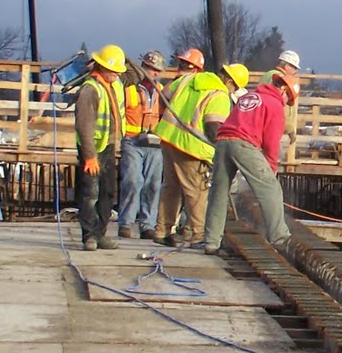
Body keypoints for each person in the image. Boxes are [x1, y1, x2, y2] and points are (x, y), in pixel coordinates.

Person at [201, 71, 299, 255]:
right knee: (271, 189)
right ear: (284, 90)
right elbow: (271, 143)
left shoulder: (249, 97)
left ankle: (211, 242)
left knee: (219, 193)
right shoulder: (275, 105)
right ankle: (280, 238)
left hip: (222, 142)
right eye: (289, 99)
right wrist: (271, 170)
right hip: (244, 144)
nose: (287, 103)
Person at [154, 48, 233, 246]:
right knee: (196, 191)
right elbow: (214, 127)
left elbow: (162, 98)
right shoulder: (219, 94)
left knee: (170, 187)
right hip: (192, 148)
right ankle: (197, 233)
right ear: (231, 84)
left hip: (168, 139)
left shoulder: (184, 81)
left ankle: (162, 230)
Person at [74, 45, 127, 250]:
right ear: (101, 67)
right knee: (90, 193)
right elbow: (84, 125)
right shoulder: (90, 89)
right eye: (113, 70)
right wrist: (89, 156)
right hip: (94, 148)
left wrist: (123, 60)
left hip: (109, 146)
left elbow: (135, 75)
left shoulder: (115, 84)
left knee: (108, 192)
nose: (117, 74)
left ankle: (100, 233)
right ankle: (89, 235)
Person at [116, 50, 166, 239]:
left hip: (154, 143)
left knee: (153, 184)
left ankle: (147, 225)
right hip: (132, 140)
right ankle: (126, 223)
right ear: (142, 67)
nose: (152, 73)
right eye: (149, 68)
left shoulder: (161, 91)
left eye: (156, 70)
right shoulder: (128, 88)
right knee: (133, 180)